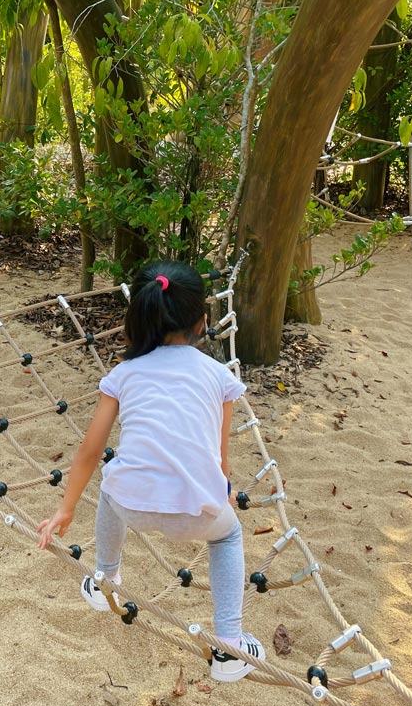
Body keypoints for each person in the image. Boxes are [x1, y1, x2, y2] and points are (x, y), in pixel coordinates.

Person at [36, 261, 264, 682]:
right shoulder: (218, 376)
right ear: (202, 322)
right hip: (199, 513)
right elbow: (218, 455)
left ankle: (105, 578)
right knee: (229, 536)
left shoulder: (123, 373)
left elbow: (90, 450)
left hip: (132, 507)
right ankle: (229, 645)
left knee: (110, 483)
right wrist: (226, 489)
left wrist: (66, 509)